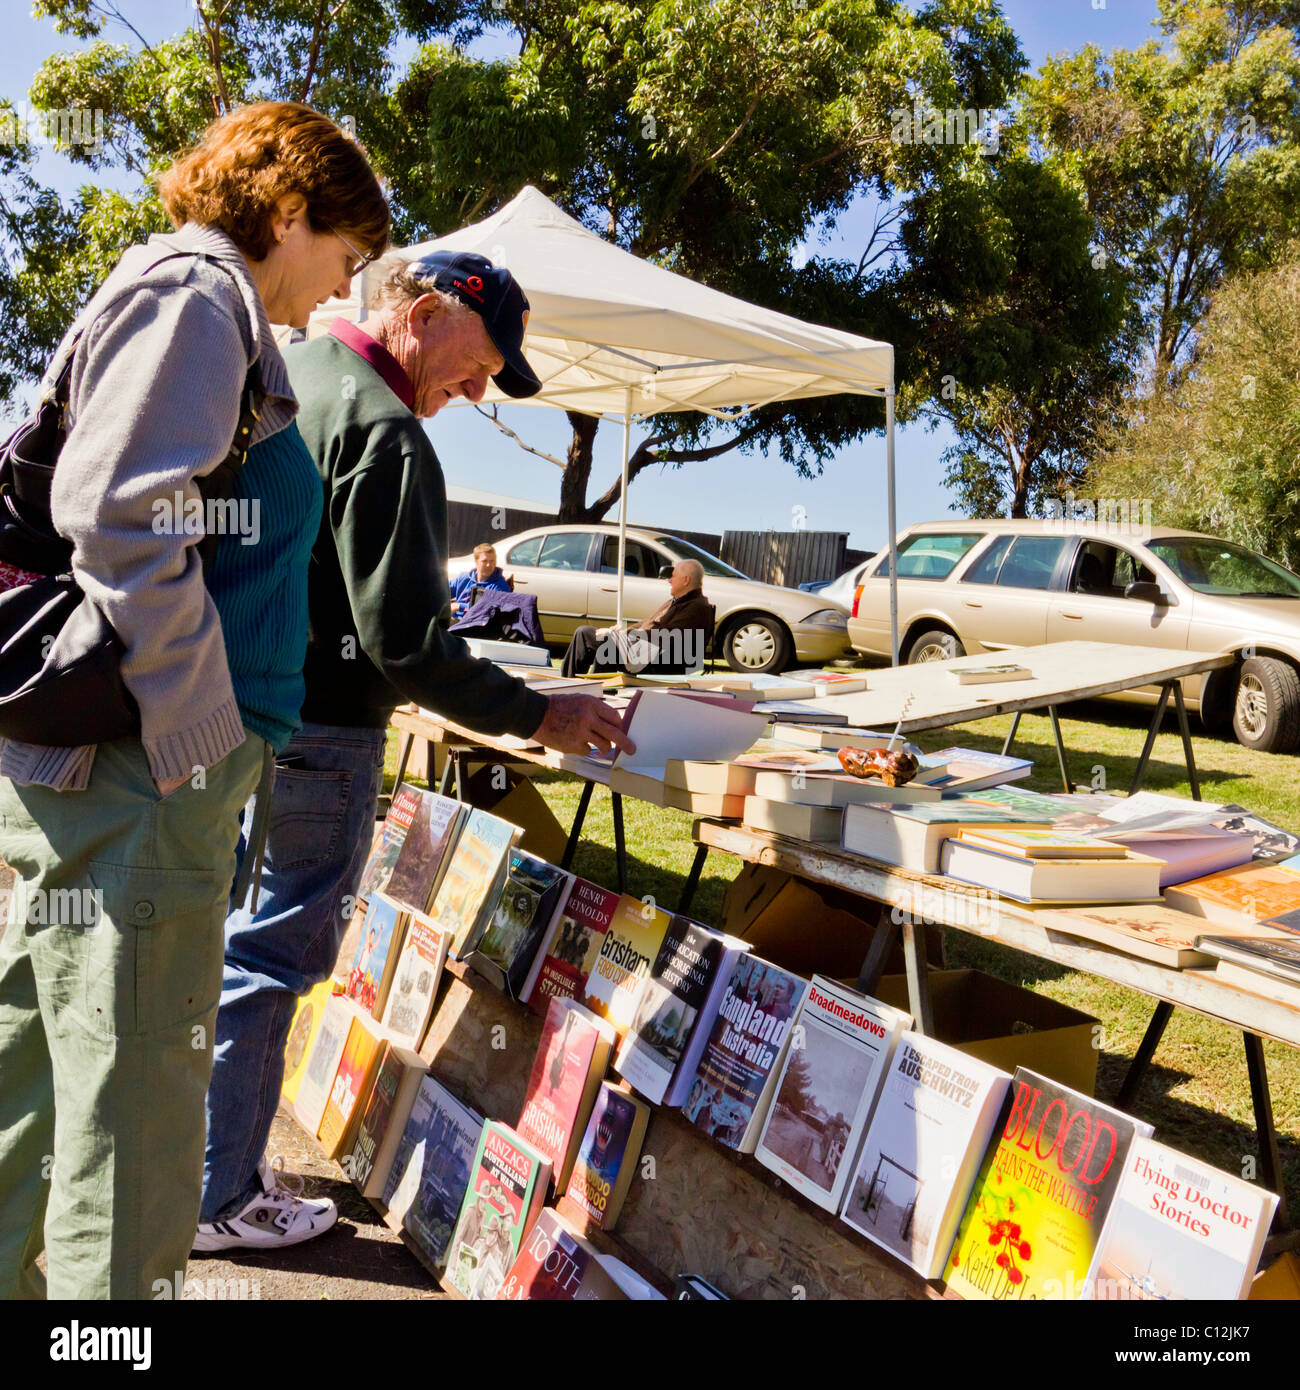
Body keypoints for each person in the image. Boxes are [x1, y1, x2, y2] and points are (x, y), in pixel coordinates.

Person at [0, 100, 388, 1300]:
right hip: (140, 777)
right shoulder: (195, 293)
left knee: (43, 1074)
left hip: (108, 777)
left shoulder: (190, 296)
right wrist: (197, 724)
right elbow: (125, 512)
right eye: (344, 253)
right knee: (135, 1118)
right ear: (286, 213)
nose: (340, 289)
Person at [196, 249, 633, 1251]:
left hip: (226, 717)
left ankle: (195, 1162)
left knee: (221, 939)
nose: (477, 391)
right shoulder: (387, 432)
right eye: (479, 364)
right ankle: (217, 1197)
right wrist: (542, 715)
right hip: (322, 729)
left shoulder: (291, 373)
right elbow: (404, 645)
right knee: (272, 952)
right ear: (425, 313)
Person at [560, 558, 713, 677]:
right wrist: (622, 631)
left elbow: (667, 636)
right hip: (644, 649)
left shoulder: (697, 608)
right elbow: (646, 623)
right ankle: (568, 684)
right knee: (585, 632)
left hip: (660, 661)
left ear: (686, 580)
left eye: (673, 576)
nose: (669, 580)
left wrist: (620, 636)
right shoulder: (677, 601)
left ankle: (597, 695)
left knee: (609, 644)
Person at [450, 541, 511, 613]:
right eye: (484, 561)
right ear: (476, 561)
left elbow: (487, 609)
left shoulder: (500, 586)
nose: (489, 565)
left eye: (492, 561)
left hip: (478, 622)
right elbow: (442, 591)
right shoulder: (464, 578)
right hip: (453, 619)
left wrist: (459, 606)